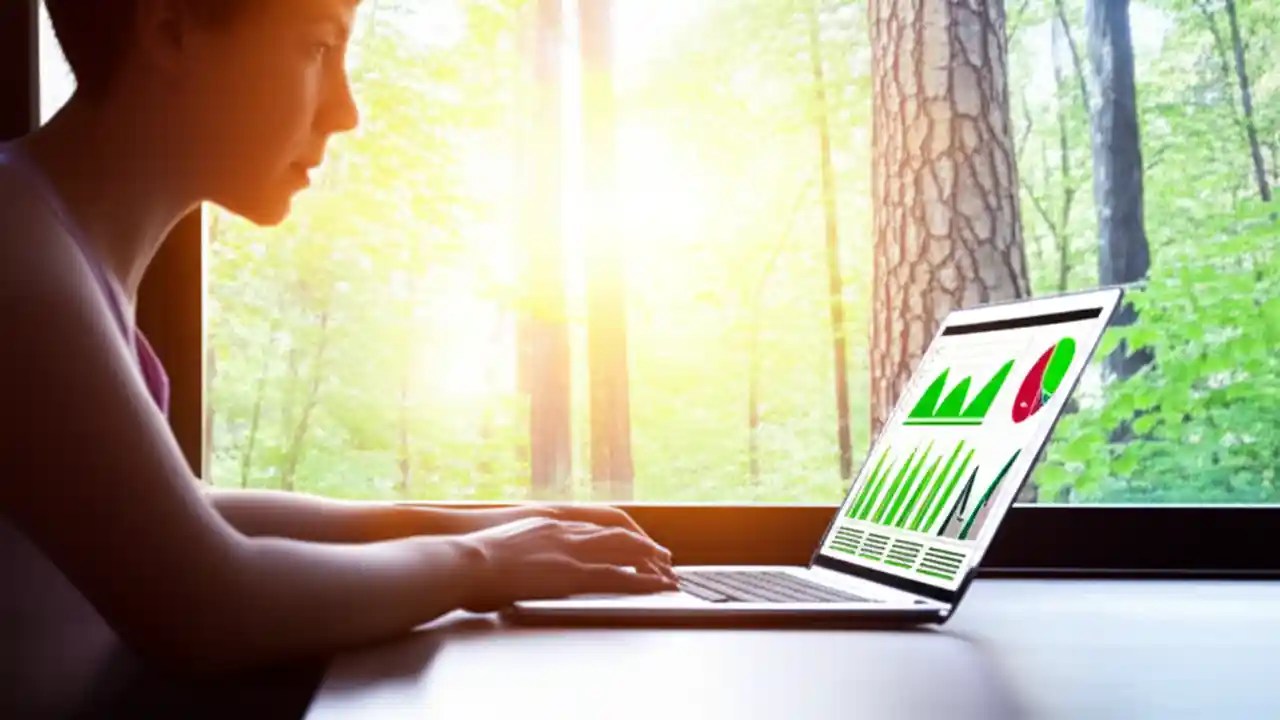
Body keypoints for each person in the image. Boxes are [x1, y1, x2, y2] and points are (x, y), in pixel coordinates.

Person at [0, 0, 677, 676]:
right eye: (320, 48)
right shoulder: (19, 255)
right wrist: (481, 562)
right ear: (173, 33)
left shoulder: (47, 236)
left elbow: (176, 517)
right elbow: (204, 598)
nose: (346, 111)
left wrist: (481, 526)